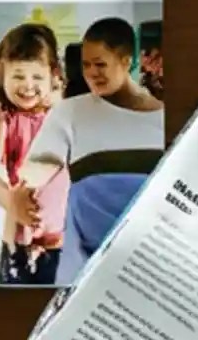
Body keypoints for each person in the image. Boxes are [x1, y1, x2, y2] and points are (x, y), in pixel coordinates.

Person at [25, 17, 165, 284]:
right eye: (86, 65)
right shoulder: (71, 112)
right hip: (86, 266)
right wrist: (23, 193)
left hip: (151, 261)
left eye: (100, 64)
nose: (91, 73)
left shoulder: (164, 119)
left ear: (126, 61)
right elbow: (36, 170)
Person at [0, 23, 70, 285]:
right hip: (19, 243)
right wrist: (15, 205)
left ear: (53, 76)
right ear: (2, 72)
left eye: (37, 77)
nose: (28, 86)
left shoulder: (63, 114)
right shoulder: (2, 117)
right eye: (18, 76)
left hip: (61, 240)